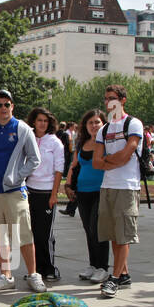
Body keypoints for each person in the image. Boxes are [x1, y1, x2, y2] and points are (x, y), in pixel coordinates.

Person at [0, 89, 42, 293]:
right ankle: (6, 276)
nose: (3, 108)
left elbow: (34, 159)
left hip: (15, 191)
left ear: (12, 106)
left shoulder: (23, 129)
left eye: (7, 104)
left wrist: (17, 176)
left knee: (23, 234)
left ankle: (33, 274)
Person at [93, 84, 144, 298]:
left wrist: (108, 161)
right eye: (105, 99)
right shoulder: (103, 129)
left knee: (123, 235)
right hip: (107, 186)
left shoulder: (133, 124)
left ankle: (113, 278)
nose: (108, 103)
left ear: (123, 100)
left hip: (126, 186)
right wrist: (111, 161)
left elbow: (128, 154)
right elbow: (96, 162)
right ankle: (123, 273)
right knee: (113, 234)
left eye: (112, 98)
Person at [64, 109, 110, 283]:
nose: (94, 126)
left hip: (102, 191)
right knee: (88, 230)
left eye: (97, 122)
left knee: (98, 230)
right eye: (90, 123)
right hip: (83, 192)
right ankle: (93, 264)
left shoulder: (108, 143)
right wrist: (68, 185)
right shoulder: (81, 143)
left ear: (104, 124)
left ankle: (102, 268)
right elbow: (74, 165)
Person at [26, 106, 65, 284]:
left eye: (45, 121)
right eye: (39, 120)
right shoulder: (28, 139)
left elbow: (59, 169)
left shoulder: (55, 142)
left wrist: (54, 194)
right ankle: (35, 269)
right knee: (31, 233)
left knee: (45, 234)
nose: (42, 123)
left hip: (47, 192)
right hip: (29, 191)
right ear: (33, 121)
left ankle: (49, 268)